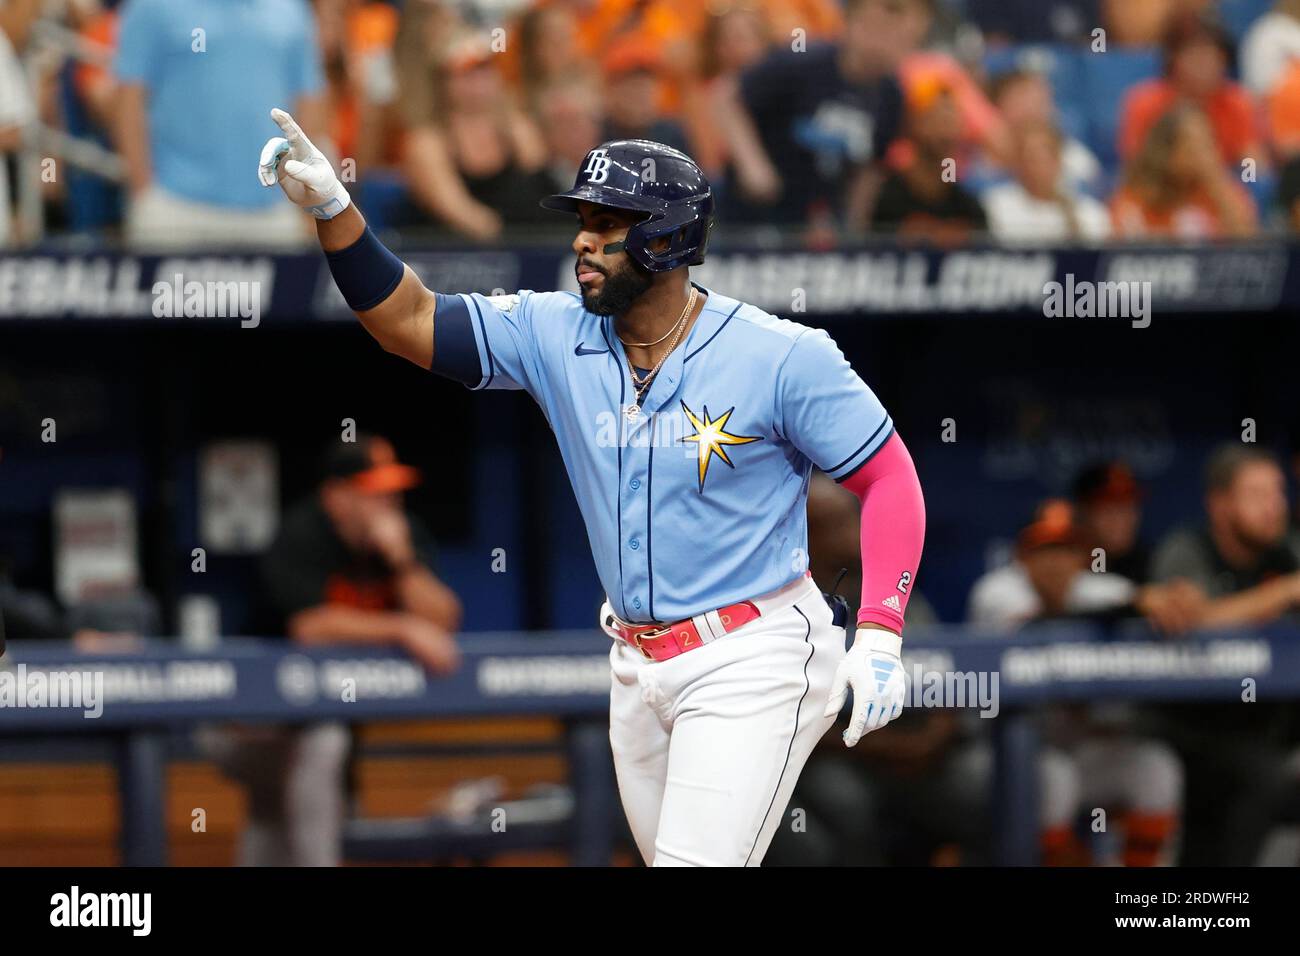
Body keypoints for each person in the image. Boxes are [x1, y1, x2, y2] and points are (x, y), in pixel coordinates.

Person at [257, 113, 926, 867]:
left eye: (607, 224)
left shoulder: (782, 356)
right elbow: (407, 320)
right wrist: (334, 213)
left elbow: (890, 476)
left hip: (753, 649)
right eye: (583, 221)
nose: (582, 240)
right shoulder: (555, 332)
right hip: (637, 665)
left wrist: (879, 632)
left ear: (668, 237)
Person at [201, 434, 462, 867]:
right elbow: (311, 628)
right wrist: (400, 628)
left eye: (393, 491)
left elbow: (443, 619)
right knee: (321, 744)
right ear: (338, 498)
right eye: (374, 492)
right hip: (241, 721)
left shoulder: (402, 538)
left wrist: (401, 563)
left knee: (276, 808)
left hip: (316, 714)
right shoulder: (299, 534)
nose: (389, 503)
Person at [112, 0, 325, 249]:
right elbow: (128, 99)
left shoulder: (291, 10)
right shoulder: (151, 7)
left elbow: (308, 100)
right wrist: (144, 193)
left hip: (271, 212)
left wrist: (301, 199)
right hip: (175, 209)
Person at [716, 0, 904, 232]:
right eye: (874, 28)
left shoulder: (891, 94)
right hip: (757, 214)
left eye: (894, 34)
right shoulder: (802, 63)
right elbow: (729, 97)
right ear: (850, 24)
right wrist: (752, 163)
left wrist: (855, 230)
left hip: (820, 219)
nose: (881, 42)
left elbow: (872, 168)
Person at [1117, 12, 1264, 168]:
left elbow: (1255, 170)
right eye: (1195, 56)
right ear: (1173, 60)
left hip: (1218, 186)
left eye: (1212, 56)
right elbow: (1134, 171)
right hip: (1160, 187)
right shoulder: (1144, 103)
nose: (1205, 65)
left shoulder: (1238, 102)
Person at [1110, 104, 1257, 240]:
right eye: (1192, 147)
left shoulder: (1221, 191)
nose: (1203, 156)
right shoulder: (1137, 195)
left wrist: (1217, 185)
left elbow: (1246, 242)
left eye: (1208, 144)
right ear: (1166, 151)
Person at [871, 76, 988, 245]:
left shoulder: (967, 206)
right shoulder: (888, 199)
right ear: (912, 125)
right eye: (935, 119)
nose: (945, 131)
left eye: (951, 121)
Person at [982, 120, 1111, 244]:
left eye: (1048, 156)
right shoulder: (995, 206)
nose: (1041, 166)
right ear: (1017, 162)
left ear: (1059, 161)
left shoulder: (1090, 214)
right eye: (1032, 158)